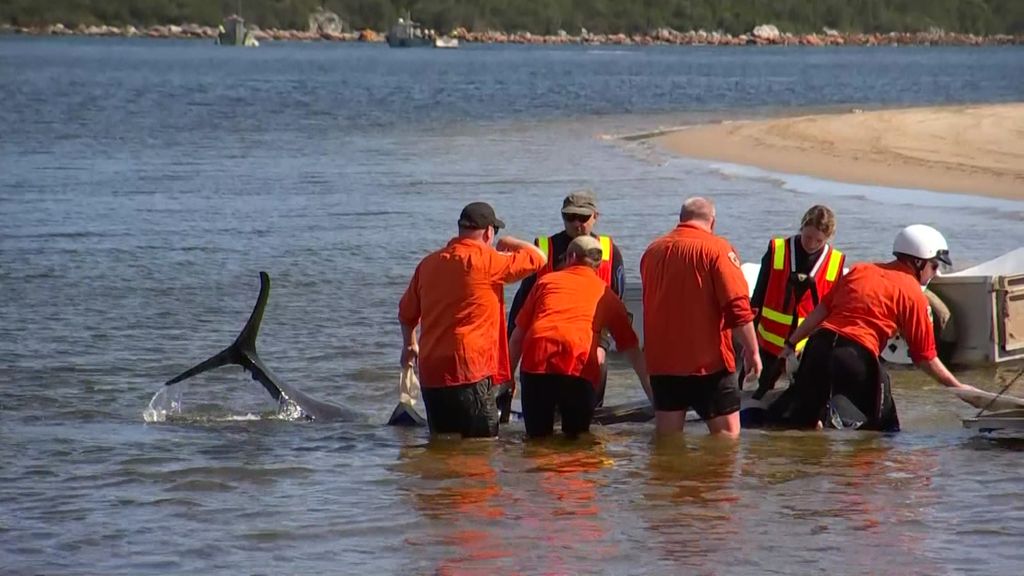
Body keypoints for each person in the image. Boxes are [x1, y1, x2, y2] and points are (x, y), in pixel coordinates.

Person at [766, 224, 978, 432]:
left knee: (802, 427)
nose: (935, 273)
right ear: (918, 262)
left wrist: (790, 343)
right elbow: (924, 357)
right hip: (856, 357)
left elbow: (821, 310)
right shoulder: (913, 294)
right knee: (883, 432)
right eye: (934, 266)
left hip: (818, 347)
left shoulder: (861, 269)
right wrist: (957, 387)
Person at [398, 202, 546, 438]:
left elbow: (406, 314)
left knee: (441, 448)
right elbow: (539, 257)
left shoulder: (428, 264)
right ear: (489, 232)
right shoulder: (488, 261)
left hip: (432, 372)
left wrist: (409, 345)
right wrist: (508, 243)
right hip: (470, 371)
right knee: (481, 448)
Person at [640, 197, 762, 437]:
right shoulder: (717, 249)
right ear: (712, 222)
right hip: (708, 365)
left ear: (681, 219)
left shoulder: (652, 251)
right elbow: (737, 307)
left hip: (663, 363)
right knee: (726, 439)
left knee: (668, 442)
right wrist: (753, 351)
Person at [509, 236, 650, 438]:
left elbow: (517, 337)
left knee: (536, 439)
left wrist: (507, 379)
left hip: (536, 363)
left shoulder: (544, 283)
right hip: (577, 367)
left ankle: (534, 469)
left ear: (570, 257)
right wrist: (653, 396)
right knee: (576, 441)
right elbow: (631, 349)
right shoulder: (606, 294)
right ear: (599, 263)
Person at [507, 190, 626, 409]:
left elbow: (617, 302)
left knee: (588, 412)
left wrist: (602, 344)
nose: (576, 223)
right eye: (570, 217)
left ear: (595, 217)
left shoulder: (609, 252)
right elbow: (520, 306)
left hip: (589, 343)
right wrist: (508, 367)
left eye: (583, 218)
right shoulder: (543, 249)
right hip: (545, 345)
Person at [749, 205, 846, 399]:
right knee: (758, 392)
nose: (811, 244)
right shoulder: (778, 249)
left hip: (807, 344)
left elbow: (835, 306)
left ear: (828, 238)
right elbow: (758, 294)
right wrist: (749, 336)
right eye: (807, 237)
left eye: (818, 240)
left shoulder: (836, 260)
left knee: (805, 395)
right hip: (769, 342)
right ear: (801, 228)